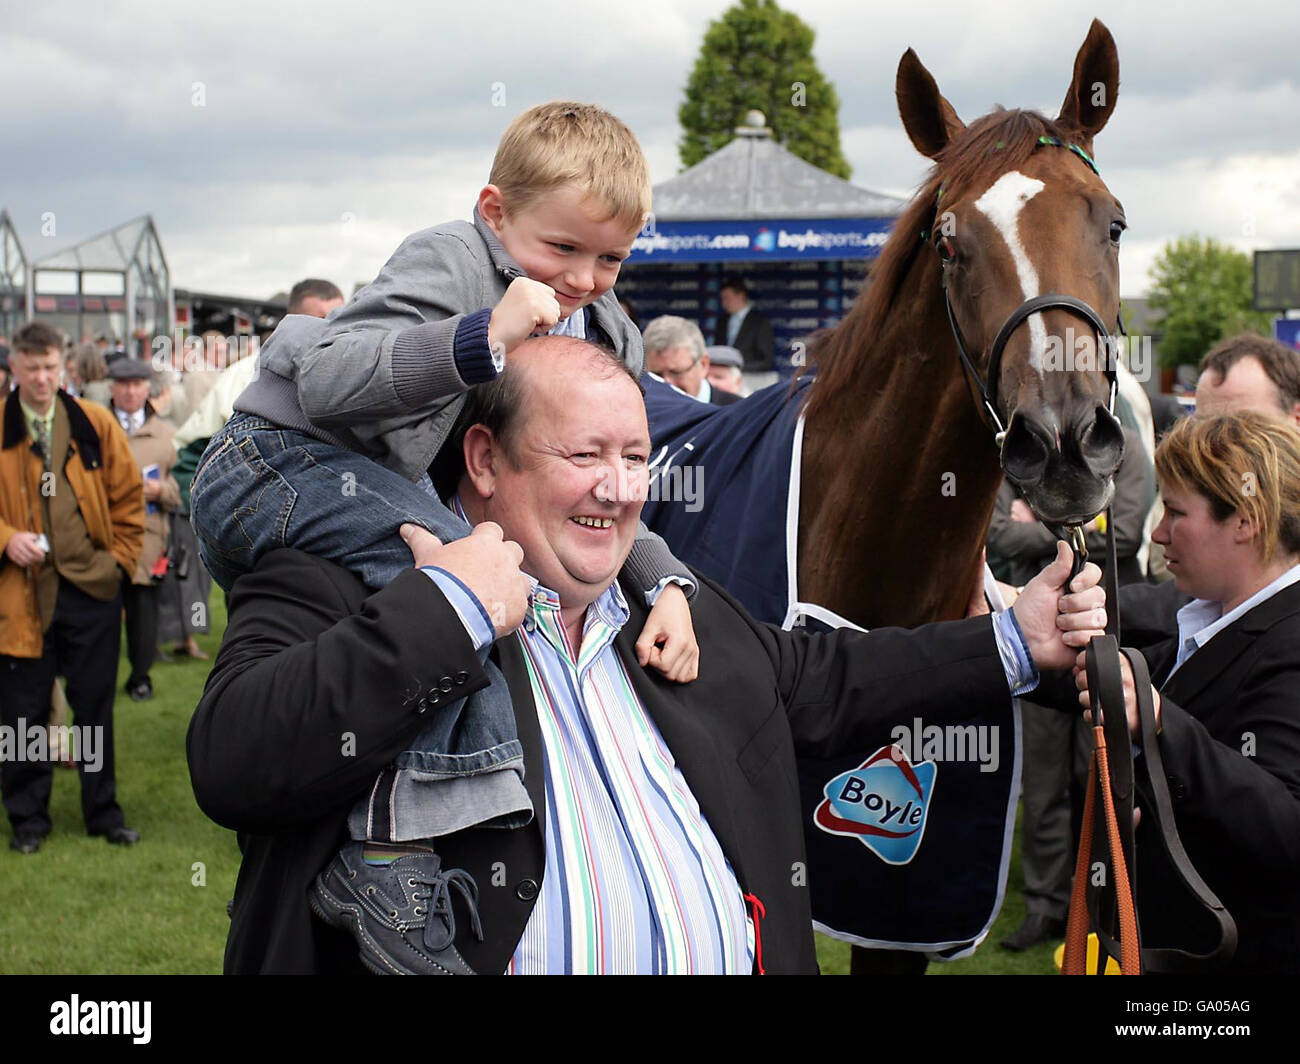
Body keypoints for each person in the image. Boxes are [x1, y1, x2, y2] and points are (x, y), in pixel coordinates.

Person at [187, 335, 1108, 974]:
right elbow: (235, 761)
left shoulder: (664, 604)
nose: (620, 491)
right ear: (482, 458)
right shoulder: (346, 581)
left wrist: (1015, 639)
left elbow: (819, 678)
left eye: (637, 457)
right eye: (587, 453)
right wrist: (451, 610)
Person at [187, 104, 704, 956]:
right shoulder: (452, 258)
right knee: (460, 595)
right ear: (495, 213)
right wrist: (477, 339)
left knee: (477, 583)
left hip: (379, 487)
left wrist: (663, 580)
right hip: (282, 462)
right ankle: (386, 861)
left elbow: (604, 490)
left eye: (610, 257)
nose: (584, 277)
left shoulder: (609, 330)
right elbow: (324, 378)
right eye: (563, 249)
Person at [1070, 412, 1300, 974]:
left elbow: (1285, 827)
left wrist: (1158, 722)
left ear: (1245, 521)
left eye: (1175, 513)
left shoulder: (1290, 639)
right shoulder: (1214, 616)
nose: (1156, 533)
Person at [0, 322, 144, 854]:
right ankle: (28, 820)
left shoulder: (95, 422)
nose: (42, 378)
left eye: (50, 367)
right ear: (14, 366)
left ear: (63, 366)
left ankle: (102, 813)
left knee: (94, 708)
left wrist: (119, 565)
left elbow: (129, 500)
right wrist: (8, 538)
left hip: (92, 590)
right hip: (19, 594)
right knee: (22, 713)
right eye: (32, 368)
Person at [109, 359, 181, 702]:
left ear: (146, 389)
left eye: (137, 384)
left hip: (149, 536)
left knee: (142, 610)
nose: (130, 391)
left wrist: (161, 491)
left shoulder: (165, 434)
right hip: (102, 533)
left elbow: (179, 491)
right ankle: (97, 675)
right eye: (123, 384)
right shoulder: (96, 425)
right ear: (112, 388)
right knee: (101, 609)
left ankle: (140, 677)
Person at [642, 315, 740, 406]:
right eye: (656, 375)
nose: (666, 383)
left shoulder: (737, 411)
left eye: (676, 372)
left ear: (703, 364)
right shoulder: (638, 411)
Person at [714, 276, 774, 378]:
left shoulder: (759, 322)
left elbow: (766, 361)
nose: (724, 304)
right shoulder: (722, 322)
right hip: (723, 380)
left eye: (727, 298)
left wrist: (738, 368)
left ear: (741, 296)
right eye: (722, 299)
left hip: (749, 381)